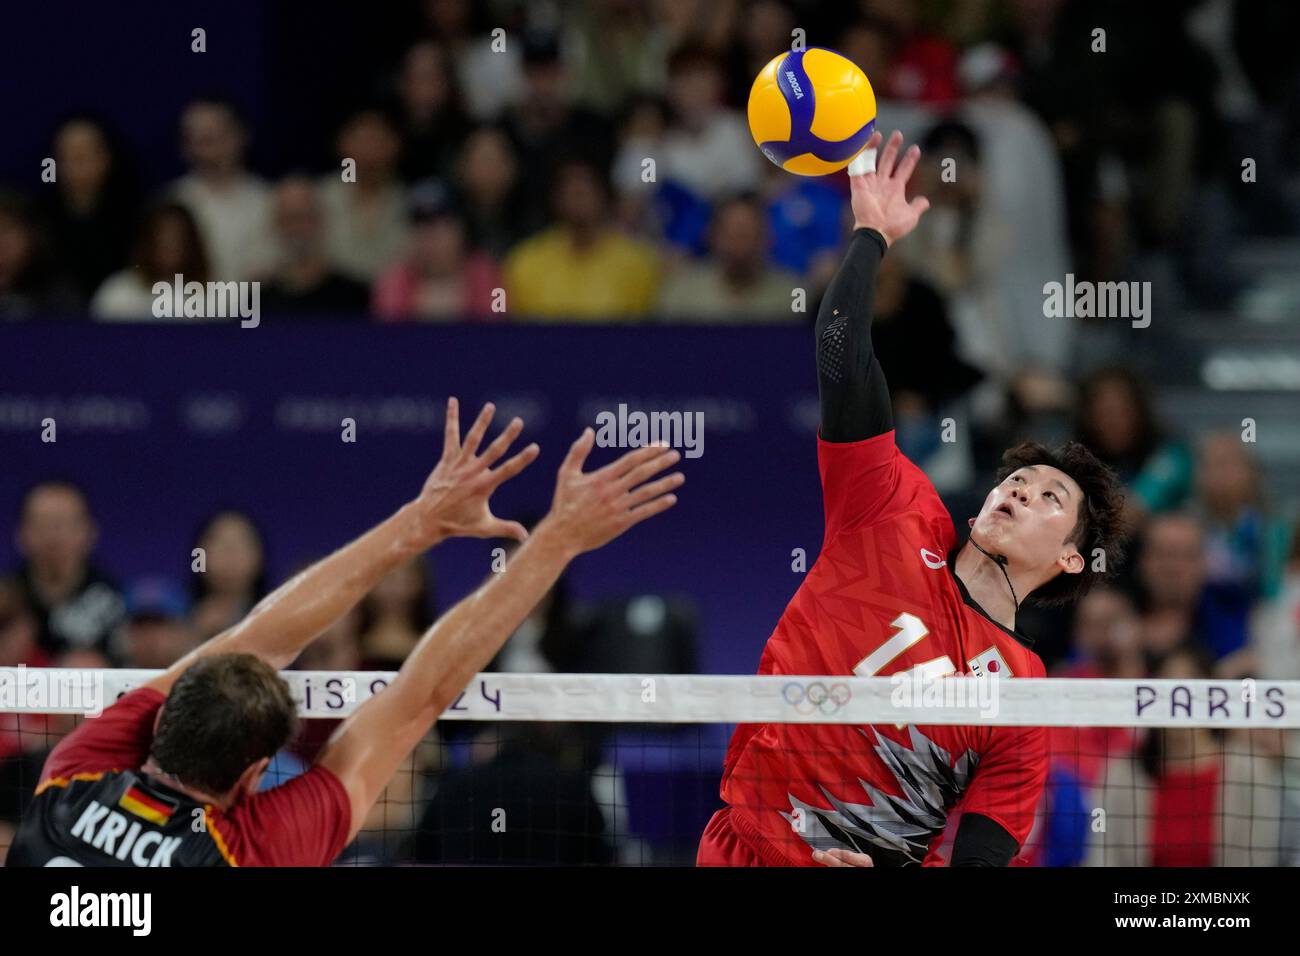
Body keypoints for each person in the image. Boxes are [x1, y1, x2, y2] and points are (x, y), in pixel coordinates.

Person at [697, 132, 1126, 869]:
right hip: (745, 850)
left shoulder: (1022, 693)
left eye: (1050, 497)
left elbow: (981, 860)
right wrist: (872, 236)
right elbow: (839, 350)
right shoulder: (892, 507)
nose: (1021, 491)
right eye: (1017, 481)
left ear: (1068, 556)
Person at [5, 400, 683, 866]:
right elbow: (418, 695)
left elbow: (259, 636)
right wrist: (553, 543)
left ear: (158, 726)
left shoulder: (76, 773)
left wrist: (418, 525)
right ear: (253, 775)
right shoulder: (250, 848)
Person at [11, 481, 125, 661]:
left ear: (89, 531)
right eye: (42, 524)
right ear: (21, 533)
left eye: (63, 524)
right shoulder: (8, 600)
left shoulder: (115, 601)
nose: (53, 536)